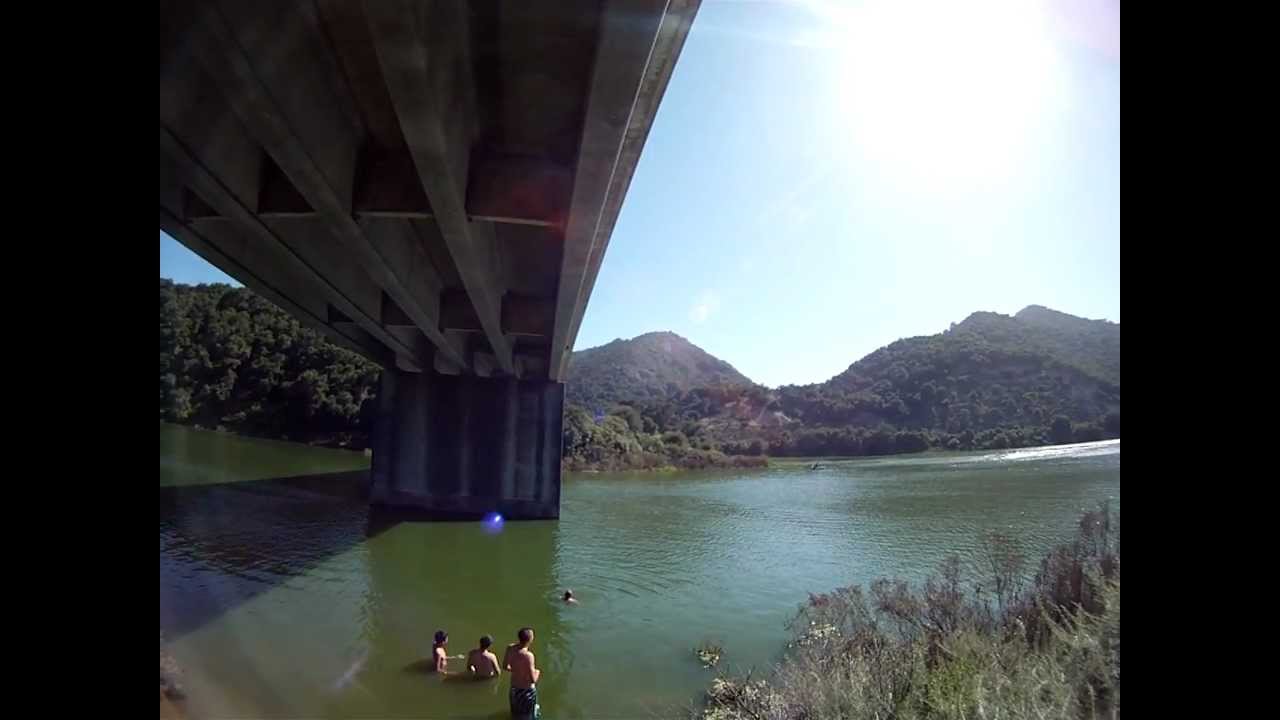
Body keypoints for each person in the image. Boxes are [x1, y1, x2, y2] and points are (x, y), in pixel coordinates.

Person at [506, 627, 541, 719]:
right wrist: (537, 672)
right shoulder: (528, 656)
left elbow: (506, 666)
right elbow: (532, 679)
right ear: (530, 639)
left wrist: (517, 670)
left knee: (515, 714)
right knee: (528, 716)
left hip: (514, 688)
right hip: (526, 691)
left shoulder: (510, 648)